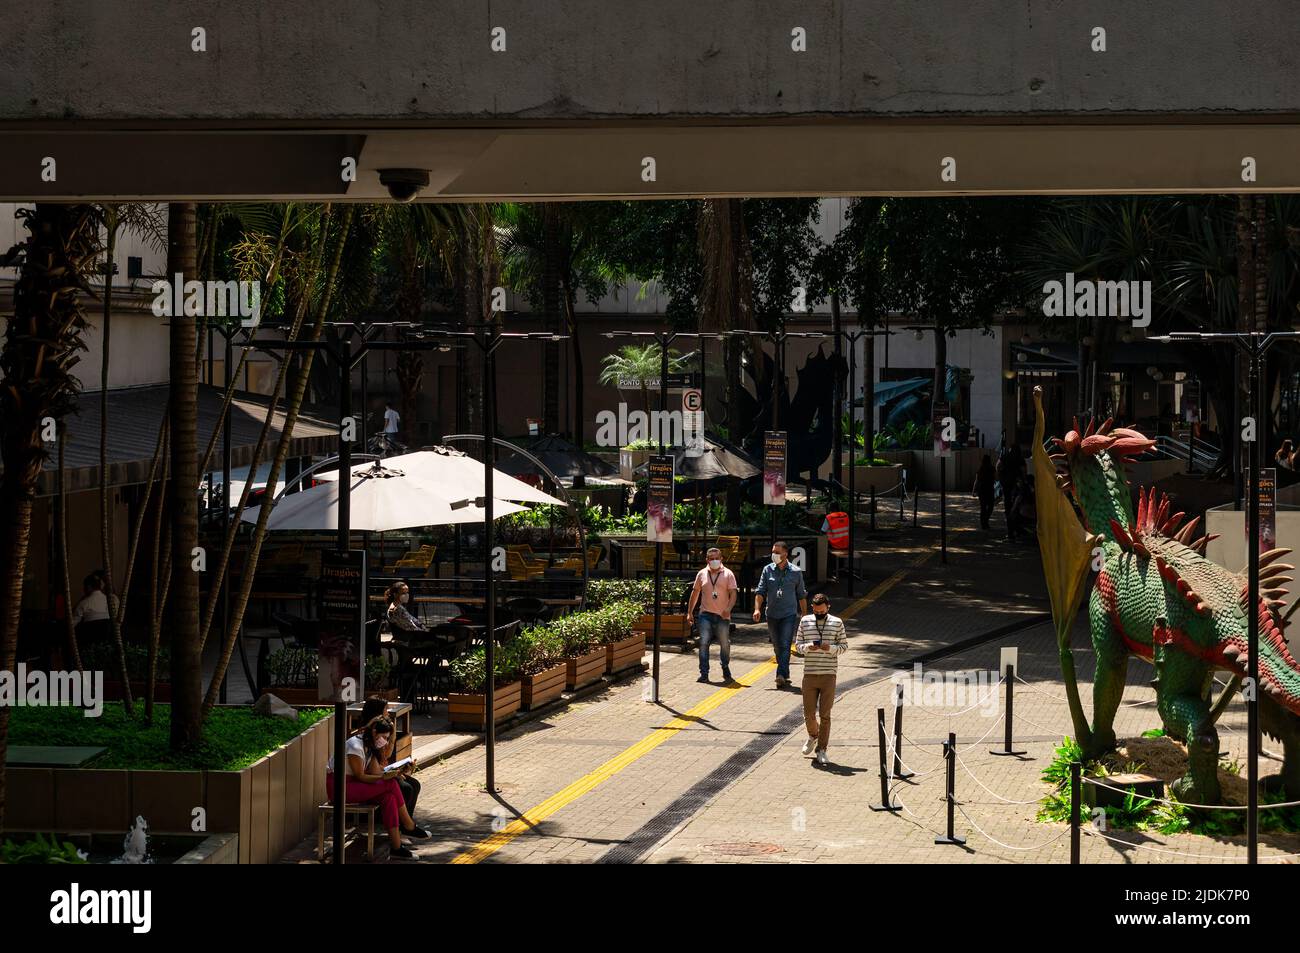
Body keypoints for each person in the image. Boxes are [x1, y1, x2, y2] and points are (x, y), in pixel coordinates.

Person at [324, 716, 429, 859]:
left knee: (389, 797)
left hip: (354, 785)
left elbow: (377, 772)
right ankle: (408, 825)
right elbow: (361, 776)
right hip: (340, 788)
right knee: (390, 784)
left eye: (387, 738)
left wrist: (399, 772)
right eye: (384, 737)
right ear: (374, 732)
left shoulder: (370, 747)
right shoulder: (355, 746)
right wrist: (384, 778)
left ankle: (396, 847)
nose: (385, 741)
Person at [794, 593, 849, 766]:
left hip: (828, 674)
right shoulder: (805, 622)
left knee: (825, 714)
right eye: (817, 612)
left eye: (822, 612)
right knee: (809, 713)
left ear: (828, 608)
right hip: (809, 673)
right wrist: (808, 647)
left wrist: (830, 648)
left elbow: (844, 646)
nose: (819, 614)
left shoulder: (837, 622)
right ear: (812, 608)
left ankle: (822, 749)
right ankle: (813, 735)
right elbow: (797, 646)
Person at [752, 541, 807, 689]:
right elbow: (760, 591)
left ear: (785, 554)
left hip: (789, 614)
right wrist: (757, 609)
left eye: (777, 552)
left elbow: (801, 594)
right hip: (772, 614)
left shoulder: (795, 572)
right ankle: (785, 672)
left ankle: (780, 675)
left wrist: (805, 615)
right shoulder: (767, 570)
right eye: (773, 552)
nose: (774, 555)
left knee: (785, 644)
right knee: (777, 646)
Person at [356, 697, 421, 819]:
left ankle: (406, 824)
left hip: (381, 770)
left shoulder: (382, 728)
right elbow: (374, 764)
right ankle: (399, 823)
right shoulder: (367, 732)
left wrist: (393, 737)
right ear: (378, 712)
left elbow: (386, 756)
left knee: (414, 784)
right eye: (386, 709)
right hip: (372, 776)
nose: (388, 712)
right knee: (406, 788)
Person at [686, 546, 737, 684]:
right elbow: (695, 593)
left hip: (722, 615)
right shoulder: (702, 574)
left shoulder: (728, 574)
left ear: (721, 559)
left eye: (717, 558)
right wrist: (689, 612)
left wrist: (728, 608)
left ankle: (725, 666)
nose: (714, 561)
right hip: (705, 614)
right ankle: (704, 673)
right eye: (711, 558)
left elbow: (733, 593)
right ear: (707, 560)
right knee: (703, 643)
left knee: (724, 643)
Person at [70, 573, 112, 647]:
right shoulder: (109, 600)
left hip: (89, 641)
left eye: (84, 587)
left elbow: (72, 623)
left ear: (88, 587)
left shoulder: (84, 603)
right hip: (107, 640)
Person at [997, 440, 1024, 540]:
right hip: (1016, 486)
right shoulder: (1020, 459)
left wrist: (1001, 477)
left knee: (1008, 508)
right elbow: (1023, 471)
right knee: (1017, 508)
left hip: (1006, 485)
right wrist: (1023, 481)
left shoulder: (1005, 456)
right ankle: (1016, 529)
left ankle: (1010, 532)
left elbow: (998, 466)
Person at [973, 454, 997, 530]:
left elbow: (976, 481)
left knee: (983, 507)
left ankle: (983, 523)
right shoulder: (992, 469)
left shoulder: (980, 469)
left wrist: (974, 490)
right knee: (990, 507)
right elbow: (996, 478)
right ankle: (985, 521)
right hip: (990, 489)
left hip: (982, 490)